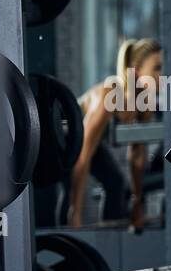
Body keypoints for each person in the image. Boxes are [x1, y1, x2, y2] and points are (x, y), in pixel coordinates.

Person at [68, 38, 162, 229]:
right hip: (64, 138)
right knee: (107, 183)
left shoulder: (145, 104)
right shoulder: (110, 93)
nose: (164, 75)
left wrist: (137, 202)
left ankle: (111, 235)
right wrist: (74, 212)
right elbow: (82, 156)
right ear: (136, 71)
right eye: (157, 68)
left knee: (116, 183)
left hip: (88, 146)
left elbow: (137, 156)